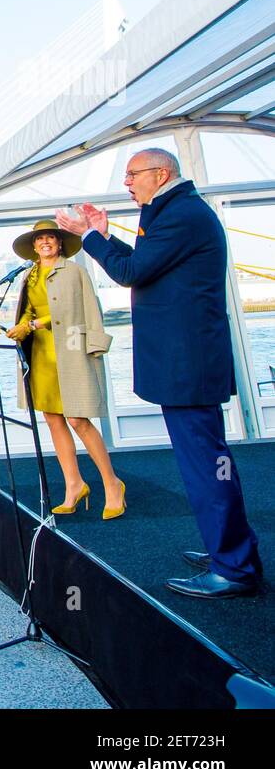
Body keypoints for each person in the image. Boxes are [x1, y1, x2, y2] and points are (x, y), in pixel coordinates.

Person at [57, 148, 264, 598]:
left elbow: (131, 272)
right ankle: (232, 550)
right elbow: (147, 264)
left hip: (188, 365)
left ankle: (234, 568)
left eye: (132, 175)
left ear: (161, 173)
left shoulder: (180, 215)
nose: (127, 183)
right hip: (189, 363)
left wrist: (91, 237)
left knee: (207, 468)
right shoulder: (176, 212)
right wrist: (104, 235)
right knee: (209, 464)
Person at [5, 220, 124, 519]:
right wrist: (23, 323)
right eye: (40, 239)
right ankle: (74, 485)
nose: (45, 243)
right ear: (33, 246)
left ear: (59, 244)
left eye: (51, 238)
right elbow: (29, 309)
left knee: (78, 419)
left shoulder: (74, 271)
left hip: (69, 350)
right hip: (42, 353)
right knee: (53, 418)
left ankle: (112, 484)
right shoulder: (29, 276)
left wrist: (34, 324)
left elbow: (80, 310)